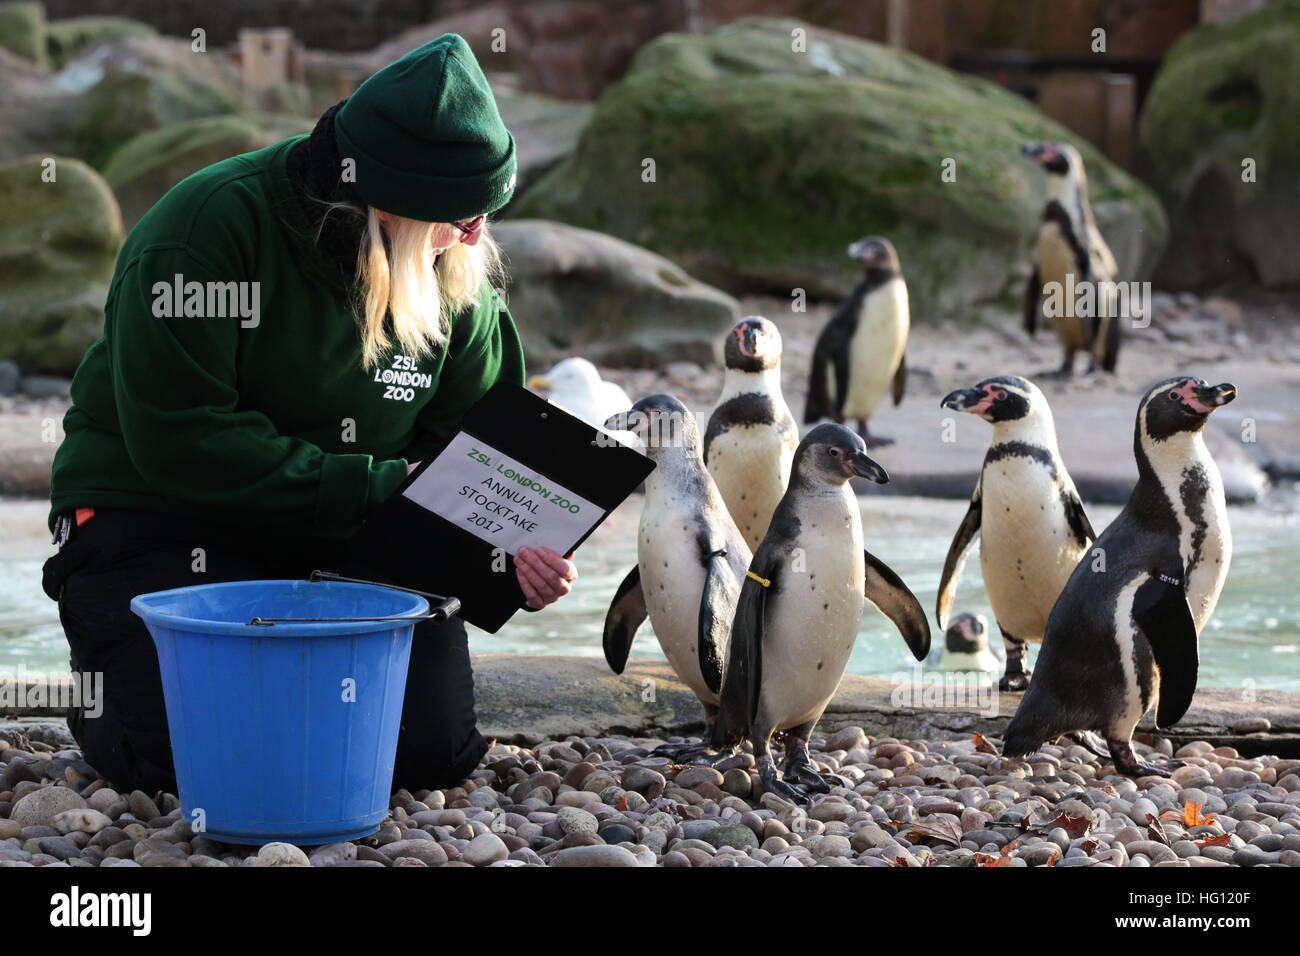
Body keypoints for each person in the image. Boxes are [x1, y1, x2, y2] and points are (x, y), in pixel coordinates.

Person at [40, 34, 577, 796]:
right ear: (381, 201)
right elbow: (182, 443)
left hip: (357, 530)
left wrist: (513, 552)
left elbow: (475, 455)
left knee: (429, 756)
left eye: (487, 211)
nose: (476, 237)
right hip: (158, 520)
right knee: (180, 763)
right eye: (460, 218)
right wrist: (386, 488)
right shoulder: (207, 230)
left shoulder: (456, 272)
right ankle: (104, 678)